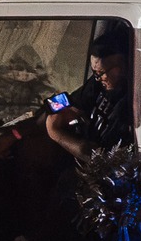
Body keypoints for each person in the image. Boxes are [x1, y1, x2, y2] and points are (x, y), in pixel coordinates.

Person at [43, 22, 136, 157]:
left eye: (102, 72)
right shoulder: (100, 82)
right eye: (95, 72)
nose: (98, 78)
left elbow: (100, 159)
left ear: (124, 64)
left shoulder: (128, 104)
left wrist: (55, 133)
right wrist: (16, 133)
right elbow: (72, 103)